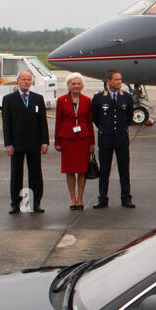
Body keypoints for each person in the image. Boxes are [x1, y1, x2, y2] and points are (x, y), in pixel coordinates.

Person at [1, 70, 49, 214]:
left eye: (29, 79)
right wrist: (8, 144)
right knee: (16, 174)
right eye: (23, 79)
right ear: (18, 81)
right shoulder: (8, 99)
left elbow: (43, 122)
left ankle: (36, 203)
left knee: (35, 174)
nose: (26, 82)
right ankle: (15, 203)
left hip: (34, 143)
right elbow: (6, 124)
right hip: (16, 144)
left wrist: (45, 142)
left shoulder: (38, 99)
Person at [91, 69, 135, 209]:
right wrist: (106, 128)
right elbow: (95, 118)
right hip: (106, 139)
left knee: (124, 170)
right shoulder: (99, 97)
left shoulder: (126, 97)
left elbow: (129, 116)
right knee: (104, 170)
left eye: (120, 79)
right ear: (108, 81)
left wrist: (121, 129)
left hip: (121, 138)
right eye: (116, 79)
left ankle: (126, 198)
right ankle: (102, 198)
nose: (119, 82)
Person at [54, 73, 95, 210]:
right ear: (68, 85)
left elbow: (90, 122)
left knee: (82, 170)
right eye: (73, 84)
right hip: (67, 139)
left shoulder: (87, 101)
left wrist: (92, 143)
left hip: (83, 139)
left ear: (82, 86)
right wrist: (57, 141)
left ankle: (80, 198)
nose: (76, 86)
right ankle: (72, 198)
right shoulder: (61, 100)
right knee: (69, 170)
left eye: (78, 84)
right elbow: (58, 122)